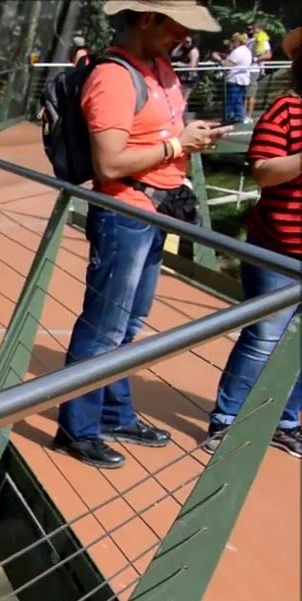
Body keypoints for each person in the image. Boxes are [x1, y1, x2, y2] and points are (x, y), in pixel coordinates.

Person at [53, 0, 228, 470]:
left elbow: (159, 133)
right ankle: (77, 429)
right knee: (103, 328)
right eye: (176, 26)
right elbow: (108, 162)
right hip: (125, 212)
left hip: (157, 211)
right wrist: (177, 144)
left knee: (128, 327)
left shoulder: (160, 68)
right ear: (147, 19)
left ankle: (114, 413)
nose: (184, 37)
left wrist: (191, 138)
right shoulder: (113, 76)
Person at [204, 26, 302, 460]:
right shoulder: (285, 109)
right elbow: (263, 171)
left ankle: (287, 421)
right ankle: (226, 421)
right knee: (264, 336)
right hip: (278, 248)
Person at [213, 33, 253, 123]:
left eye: (233, 41)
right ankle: (239, 116)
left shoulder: (237, 52)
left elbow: (227, 65)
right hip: (243, 79)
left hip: (234, 79)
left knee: (230, 101)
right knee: (238, 100)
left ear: (237, 41)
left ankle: (227, 117)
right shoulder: (247, 51)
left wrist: (218, 58)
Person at [247, 20, 273, 117]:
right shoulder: (250, 40)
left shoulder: (262, 39)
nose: (251, 29)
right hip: (245, 69)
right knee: (245, 94)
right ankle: (242, 115)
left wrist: (256, 59)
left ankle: (248, 116)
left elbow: (268, 55)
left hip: (253, 70)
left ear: (259, 29)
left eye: (253, 28)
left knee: (250, 94)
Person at [170, 35, 200, 100]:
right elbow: (173, 54)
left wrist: (182, 65)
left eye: (187, 42)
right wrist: (181, 44)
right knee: (179, 98)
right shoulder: (184, 49)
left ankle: (184, 110)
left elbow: (193, 65)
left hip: (189, 79)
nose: (186, 43)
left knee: (183, 99)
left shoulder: (193, 51)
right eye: (185, 41)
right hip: (182, 77)